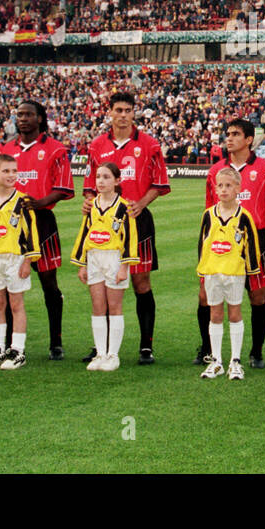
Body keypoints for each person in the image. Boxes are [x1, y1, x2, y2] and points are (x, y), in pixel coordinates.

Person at [83, 91, 169, 365]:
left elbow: (160, 183)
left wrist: (141, 204)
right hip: (105, 224)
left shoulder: (149, 144)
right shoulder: (97, 145)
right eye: (118, 110)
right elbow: (89, 187)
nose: (122, 115)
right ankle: (103, 347)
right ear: (110, 112)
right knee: (105, 283)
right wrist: (89, 204)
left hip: (137, 220)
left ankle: (146, 345)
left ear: (134, 113)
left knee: (141, 282)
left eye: (127, 110)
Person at [200, 118, 265, 367]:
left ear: (249, 139)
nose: (229, 138)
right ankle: (207, 350)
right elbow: (209, 210)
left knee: (257, 298)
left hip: (256, 241)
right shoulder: (215, 170)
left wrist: (257, 238)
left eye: (235, 134)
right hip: (220, 244)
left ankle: (256, 351)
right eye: (227, 134)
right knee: (206, 297)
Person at [0, 100, 73, 361]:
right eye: (20, 114)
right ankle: (8, 343)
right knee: (7, 284)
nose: (23, 119)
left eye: (29, 114)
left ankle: (56, 342)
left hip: (42, 222)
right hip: (9, 224)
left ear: (40, 118)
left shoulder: (55, 149)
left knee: (49, 284)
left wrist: (40, 202)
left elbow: (64, 187)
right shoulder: (5, 149)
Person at [195, 166, 261, 380]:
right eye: (220, 185)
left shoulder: (244, 216)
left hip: (234, 272)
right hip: (213, 271)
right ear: (215, 188)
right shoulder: (208, 214)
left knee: (234, 313)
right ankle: (216, 361)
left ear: (238, 189)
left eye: (228, 186)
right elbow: (201, 243)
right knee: (215, 314)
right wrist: (201, 270)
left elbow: (252, 246)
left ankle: (235, 361)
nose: (224, 190)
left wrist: (252, 271)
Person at [0, 154, 39, 370]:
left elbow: (32, 232)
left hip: (15, 258)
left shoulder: (23, 200)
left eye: (14, 171)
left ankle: (18, 350)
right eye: (6, 171)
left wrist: (28, 261)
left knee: (16, 304)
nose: (11, 175)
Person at [72, 162, 137, 372]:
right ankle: (100, 353)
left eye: (106, 177)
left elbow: (130, 239)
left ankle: (113, 355)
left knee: (114, 307)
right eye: (98, 177)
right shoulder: (91, 205)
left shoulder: (124, 207)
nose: (101, 181)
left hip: (114, 258)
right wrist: (82, 263)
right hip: (94, 258)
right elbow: (84, 234)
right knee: (97, 306)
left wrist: (124, 267)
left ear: (117, 181)